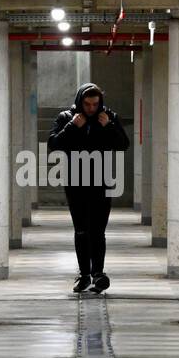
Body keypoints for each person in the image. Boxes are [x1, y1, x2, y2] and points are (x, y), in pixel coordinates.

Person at [47, 82, 130, 294]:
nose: (91, 108)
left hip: (102, 181)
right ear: (80, 102)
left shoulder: (108, 117)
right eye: (87, 104)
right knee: (82, 230)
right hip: (75, 182)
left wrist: (109, 126)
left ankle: (98, 273)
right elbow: (53, 144)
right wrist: (73, 126)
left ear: (100, 102)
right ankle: (84, 274)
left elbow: (123, 144)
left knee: (98, 231)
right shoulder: (67, 118)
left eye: (95, 104)